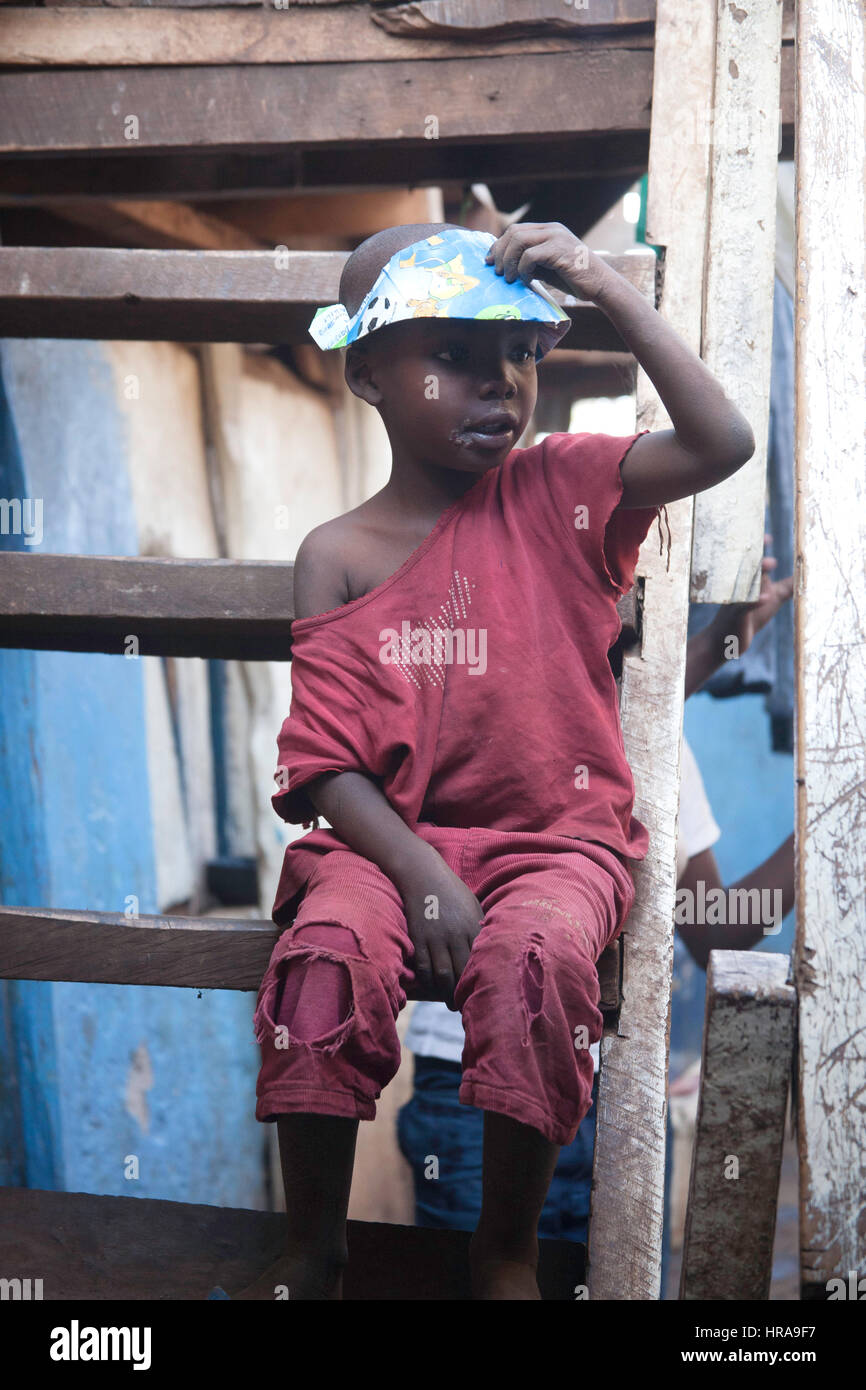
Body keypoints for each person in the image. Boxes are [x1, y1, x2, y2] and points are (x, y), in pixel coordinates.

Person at [230, 220, 756, 1301]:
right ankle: (316, 1239)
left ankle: (503, 1250)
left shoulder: (563, 488)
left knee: (535, 958)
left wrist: (605, 287)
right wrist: (420, 875)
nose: (497, 385)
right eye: (454, 357)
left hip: (556, 846)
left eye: (517, 354)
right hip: (383, 852)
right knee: (320, 952)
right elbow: (325, 764)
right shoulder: (334, 555)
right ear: (367, 372)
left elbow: (720, 441)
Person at [397, 546, 794, 1257]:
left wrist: (828, 816)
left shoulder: (654, 748)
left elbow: (715, 934)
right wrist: (718, 643)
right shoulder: (458, 708)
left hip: (620, 1091)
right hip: (472, 1088)